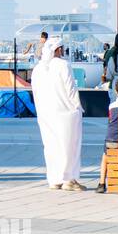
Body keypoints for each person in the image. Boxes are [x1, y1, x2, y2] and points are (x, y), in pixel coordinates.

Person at [32, 38, 85, 191]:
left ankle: (54, 179)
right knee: (70, 146)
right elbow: (71, 89)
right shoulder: (63, 65)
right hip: (66, 113)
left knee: (51, 146)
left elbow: (35, 94)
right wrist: (77, 107)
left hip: (46, 114)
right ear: (58, 49)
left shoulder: (37, 69)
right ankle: (69, 179)